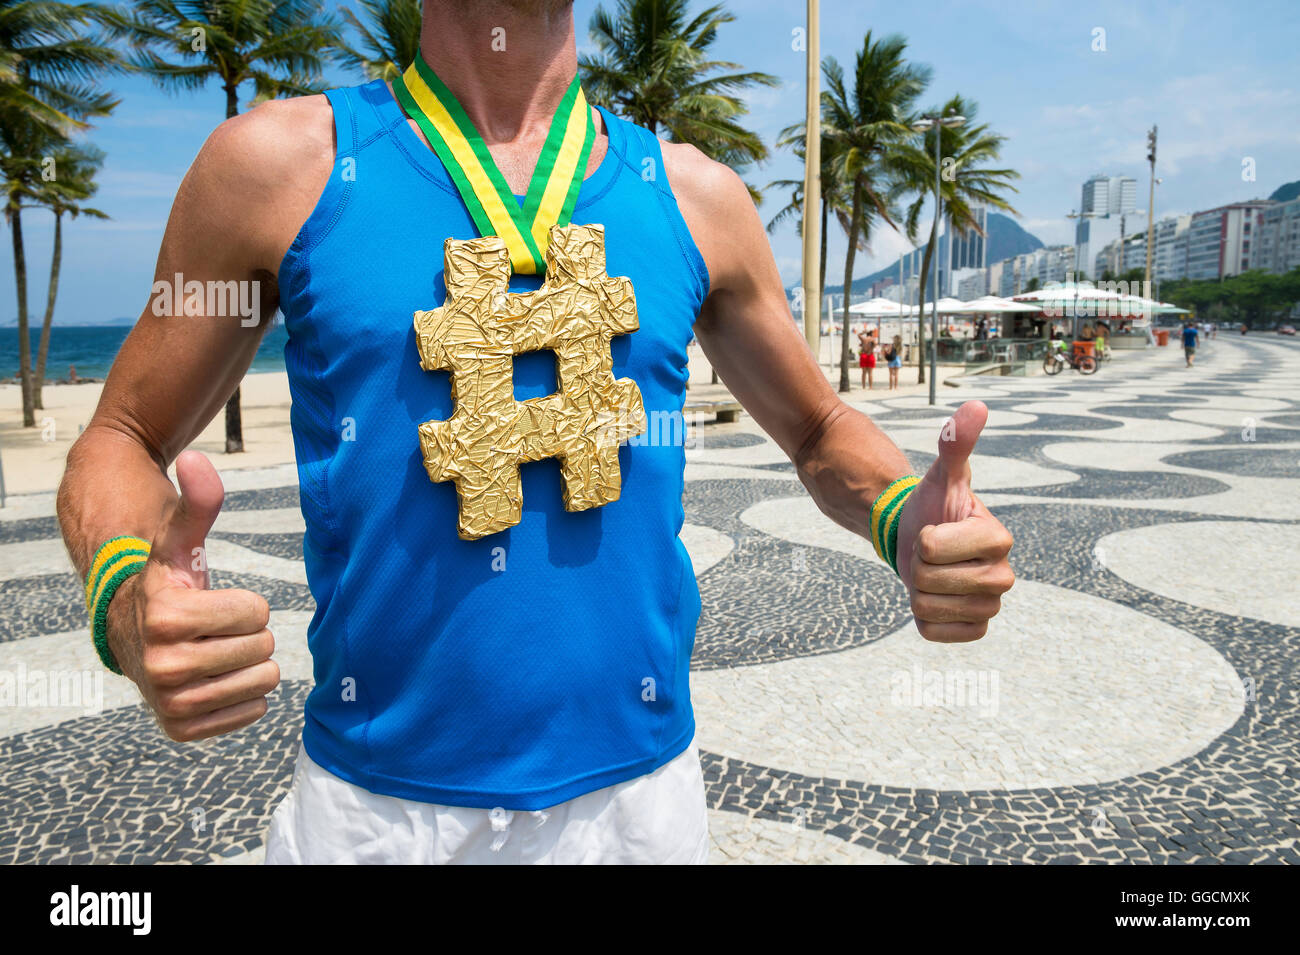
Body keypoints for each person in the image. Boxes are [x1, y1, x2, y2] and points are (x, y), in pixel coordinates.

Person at [56, 0, 1015, 866]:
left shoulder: (694, 195)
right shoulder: (279, 166)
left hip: (640, 807)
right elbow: (124, 435)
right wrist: (125, 599)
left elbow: (818, 424)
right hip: (376, 816)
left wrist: (903, 516)